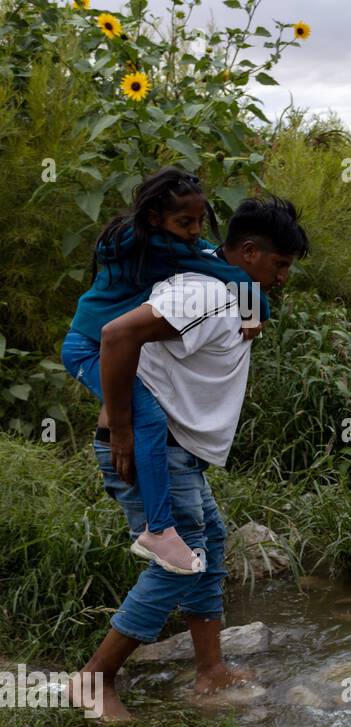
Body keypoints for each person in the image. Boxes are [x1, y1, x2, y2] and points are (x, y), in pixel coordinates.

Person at [73, 196, 308, 721]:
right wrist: (125, 429)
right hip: (150, 449)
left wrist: (255, 307)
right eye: (279, 266)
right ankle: (93, 680)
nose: (283, 278)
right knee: (178, 564)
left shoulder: (232, 290)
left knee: (212, 543)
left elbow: (239, 301)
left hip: (179, 451)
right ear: (248, 252)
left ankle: (211, 668)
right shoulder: (204, 293)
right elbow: (117, 335)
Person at [61, 167, 268, 575]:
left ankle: (160, 529)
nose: (194, 231)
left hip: (101, 344)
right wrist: (258, 306)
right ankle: (158, 530)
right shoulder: (159, 247)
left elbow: (208, 255)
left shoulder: (158, 238)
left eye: (197, 221)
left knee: (150, 416)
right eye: (184, 222)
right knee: (149, 418)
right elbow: (227, 270)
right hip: (88, 349)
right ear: (156, 218)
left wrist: (247, 299)